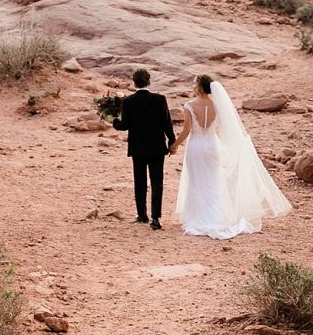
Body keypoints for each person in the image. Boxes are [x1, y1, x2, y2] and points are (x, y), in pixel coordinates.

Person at [170, 74, 292, 239]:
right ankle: (217, 215)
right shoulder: (218, 105)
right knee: (212, 180)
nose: (193, 87)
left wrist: (174, 145)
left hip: (196, 146)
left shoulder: (189, 106)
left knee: (197, 179)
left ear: (199, 87)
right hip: (213, 144)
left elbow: (186, 131)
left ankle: (199, 216)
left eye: (194, 84)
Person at [111, 68, 176, 230]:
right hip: (157, 147)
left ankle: (142, 215)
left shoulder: (128, 102)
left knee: (139, 182)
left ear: (134, 82)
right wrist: (171, 141)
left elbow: (124, 125)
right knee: (157, 183)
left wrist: (113, 121)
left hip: (138, 148)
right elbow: (167, 123)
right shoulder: (160, 100)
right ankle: (156, 218)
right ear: (149, 81)